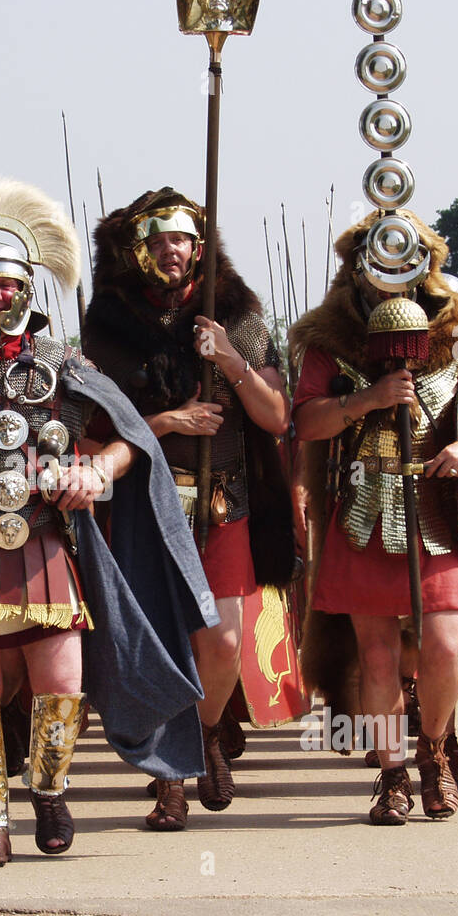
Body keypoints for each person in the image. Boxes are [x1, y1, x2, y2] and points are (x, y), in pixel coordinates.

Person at [0, 176, 216, 866]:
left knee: (60, 689)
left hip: (49, 552)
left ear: (26, 292)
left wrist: (96, 472)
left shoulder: (64, 365)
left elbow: (132, 441)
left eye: (7, 286)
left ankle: (50, 793)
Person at [290, 210, 458, 825]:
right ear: (358, 265)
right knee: (378, 653)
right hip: (363, 511)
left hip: (436, 515)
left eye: (402, 258)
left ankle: (435, 750)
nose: (390, 272)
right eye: (378, 260)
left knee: (445, 645)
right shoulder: (327, 338)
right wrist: (367, 399)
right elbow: (305, 422)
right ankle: (391, 775)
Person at [83, 187, 294, 829]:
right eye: (157, 241)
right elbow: (89, 434)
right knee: (161, 643)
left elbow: (276, 417)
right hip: (147, 504)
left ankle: (204, 732)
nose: (170, 251)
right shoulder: (109, 331)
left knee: (223, 641)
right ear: (138, 252)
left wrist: (228, 358)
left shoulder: (239, 317)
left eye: (180, 239)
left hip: (223, 499)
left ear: (198, 248)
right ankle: (169, 775)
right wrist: (166, 423)